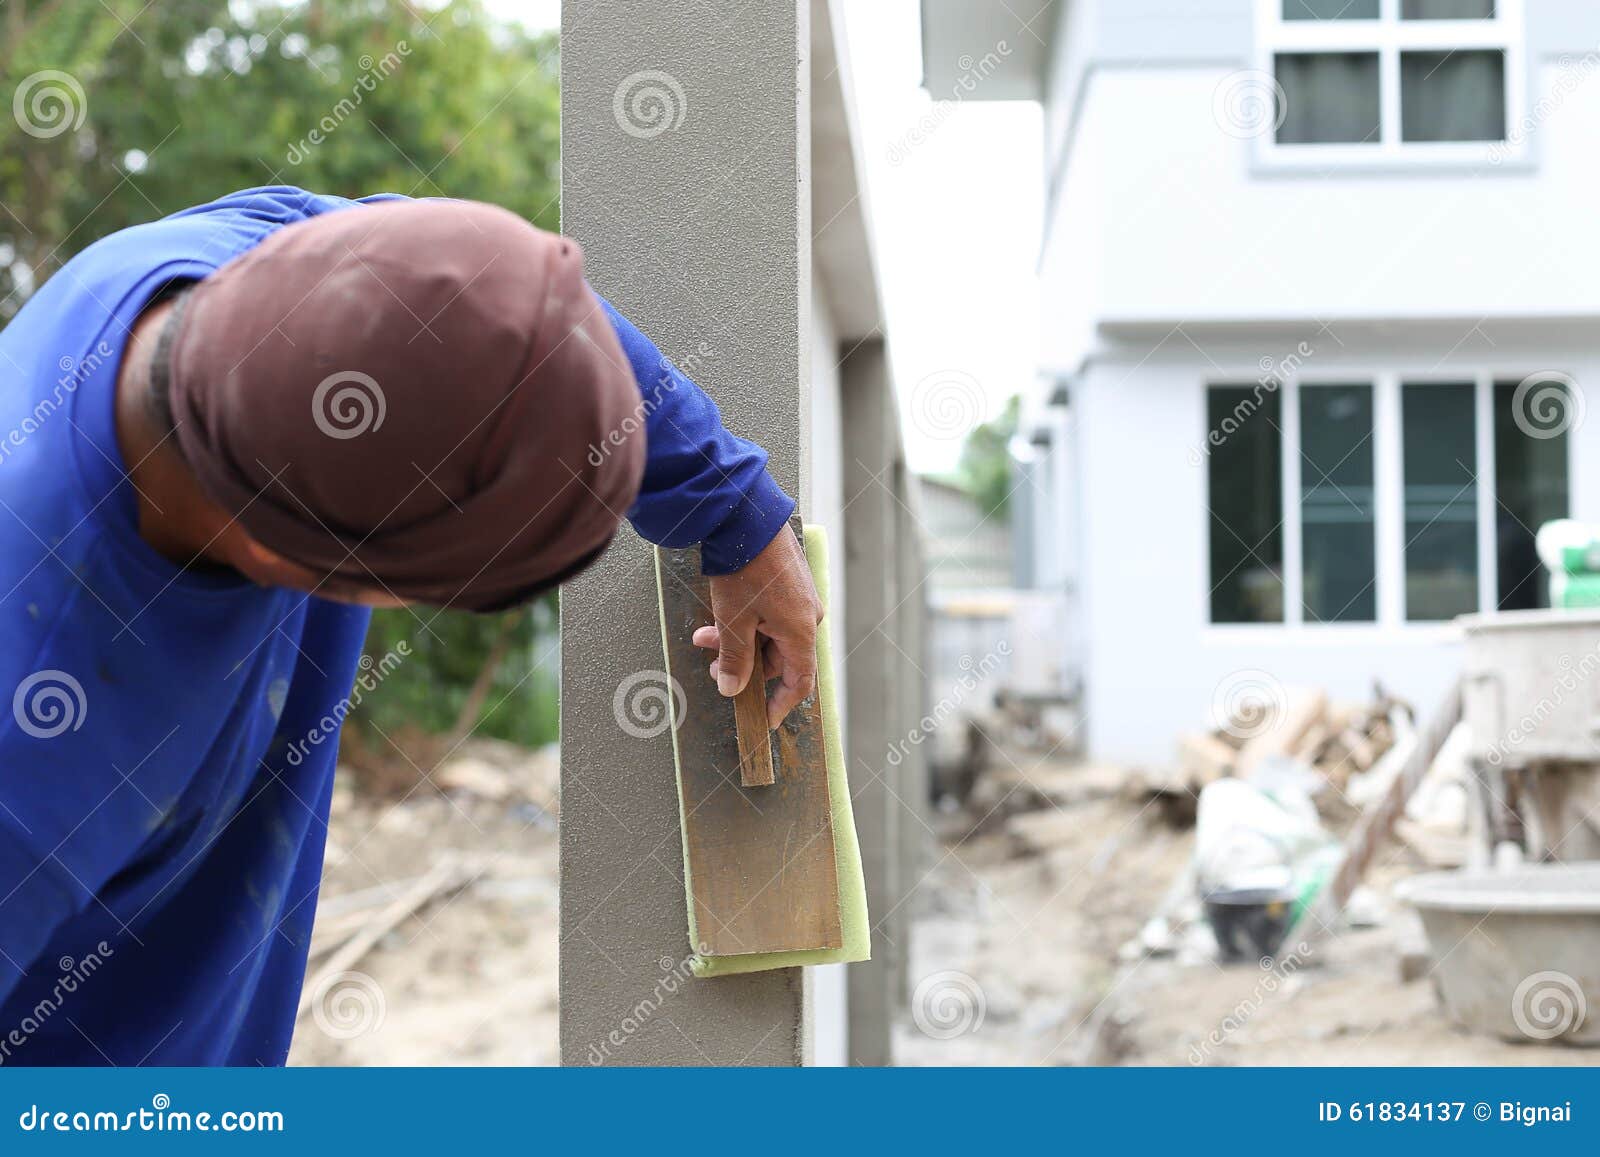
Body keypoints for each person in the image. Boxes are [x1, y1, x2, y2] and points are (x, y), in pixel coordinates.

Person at [0, 187, 820, 1064]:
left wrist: (731, 504)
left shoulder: (243, 267)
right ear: (288, 568)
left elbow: (477, 299)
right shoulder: (37, 744)